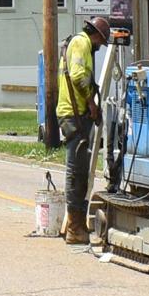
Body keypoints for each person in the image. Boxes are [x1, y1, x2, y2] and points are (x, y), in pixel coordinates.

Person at [55, 16, 110, 244]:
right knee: (76, 171)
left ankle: (76, 225)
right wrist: (91, 103)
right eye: (101, 42)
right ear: (96, 35)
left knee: (79, 170)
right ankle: (75, 228)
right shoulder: (81, 43)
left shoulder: (80, 43)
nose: (100, 47)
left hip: (75, 114)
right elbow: (78, 76)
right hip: (73, 115)